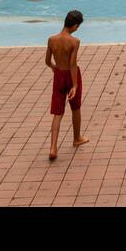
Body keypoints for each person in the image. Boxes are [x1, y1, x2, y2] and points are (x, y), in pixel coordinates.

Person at [44, 9, 87, 160]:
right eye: (78, 26)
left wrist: (55, 68)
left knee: (58, 113)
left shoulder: (51, 40)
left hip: (59, 75)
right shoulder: (74, 42)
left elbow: (47, 61)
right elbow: (73, 64)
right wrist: (74, 86)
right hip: (71, 76)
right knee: (75, 108)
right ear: (75, 26)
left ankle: (53, 147)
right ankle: (77, 138)